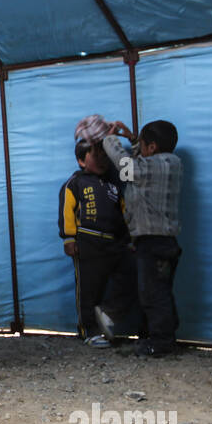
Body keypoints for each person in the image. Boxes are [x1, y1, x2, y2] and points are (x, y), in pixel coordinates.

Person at [101, 119, 183, 356]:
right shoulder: (172, 163)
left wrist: (109, 139)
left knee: (153, 294)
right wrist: (135, 140)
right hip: (165, 242)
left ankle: (161, 342)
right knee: (160, 291)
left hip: (152, 242)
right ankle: (157, 336)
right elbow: (143, 162)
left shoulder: (152, 167)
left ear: (153, 147)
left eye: (144, 146)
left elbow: (125, 166)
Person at [58, 139, 139, 347]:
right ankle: (89, 331)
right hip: (87, 241)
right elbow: (67, 210)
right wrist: (69, 238)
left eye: (105, 156)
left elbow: (123, 213)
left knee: (130, 276)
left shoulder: (114, 185)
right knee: (88, 289)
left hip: (114, 242)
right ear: (81, 161)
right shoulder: (75, 183)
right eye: (96, 156)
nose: (103, 160)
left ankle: (109, 314)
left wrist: (129, 239)